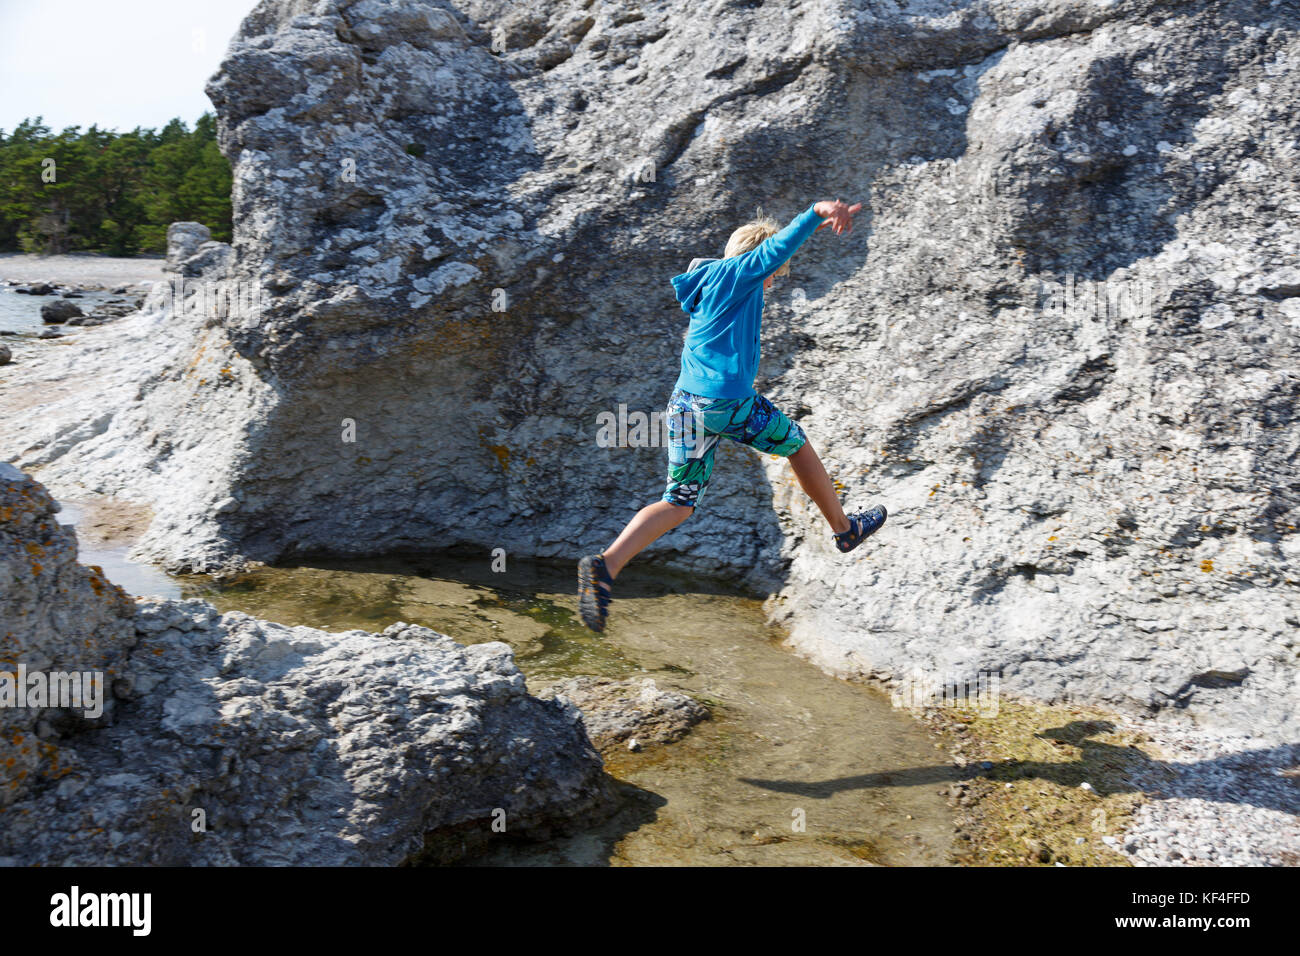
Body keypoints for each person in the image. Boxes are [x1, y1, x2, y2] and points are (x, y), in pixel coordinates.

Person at [578, 199, 886, 632]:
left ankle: (605, 566)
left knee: (679, 501)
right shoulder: (739, 275)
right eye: (774, 274)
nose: (775, 280)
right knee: (796, 442)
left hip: (686, 405)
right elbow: (774, 251)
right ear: (757, 262)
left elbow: (747, 263)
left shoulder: (711, 280)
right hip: (725, 405)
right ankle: (844, 529)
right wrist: (816, 214)